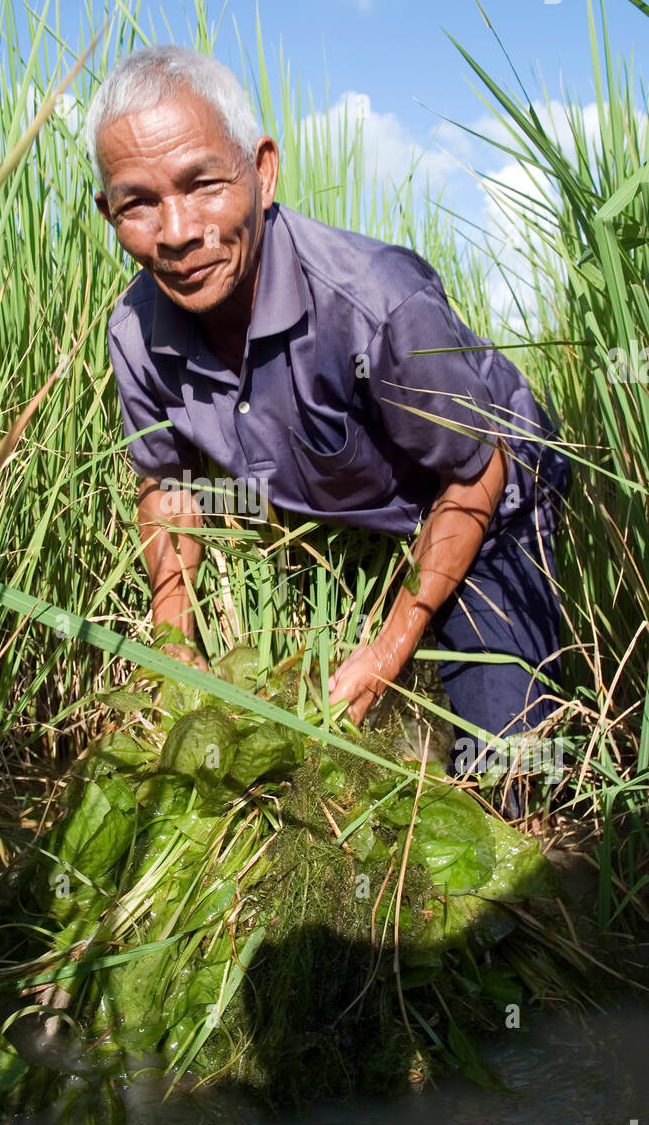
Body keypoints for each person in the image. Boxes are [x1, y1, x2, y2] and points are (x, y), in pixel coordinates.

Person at [85, 45, 571, 810]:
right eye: (137, 202)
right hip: (367, 499)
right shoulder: (133, 331)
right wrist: (173, 639)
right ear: (108, 214)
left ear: (263, 172)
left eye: (203, 184)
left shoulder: (375, 303)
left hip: (491, 477)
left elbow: (478, 470)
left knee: (501, 788)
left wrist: (387, 648)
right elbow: (166, 485)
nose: (176, 232)